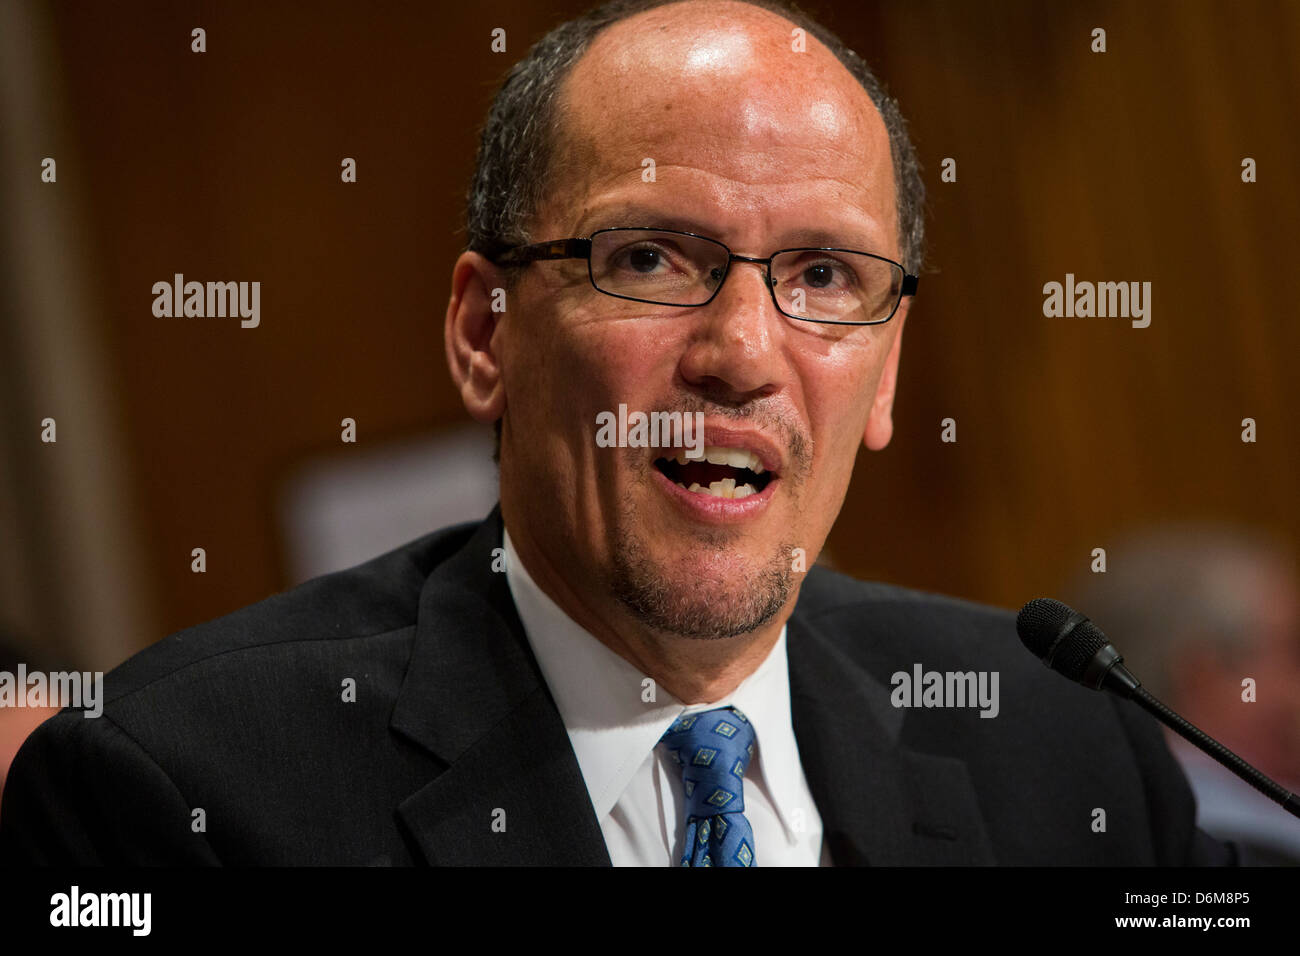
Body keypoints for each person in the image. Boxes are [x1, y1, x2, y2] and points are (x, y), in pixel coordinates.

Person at [0, 0, 1238, 866]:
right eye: (648, 256)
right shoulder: (181, 794)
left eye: (822, 276)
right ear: (487, 332)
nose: (744, 352)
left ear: (887, 368)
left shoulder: (1068, 751)